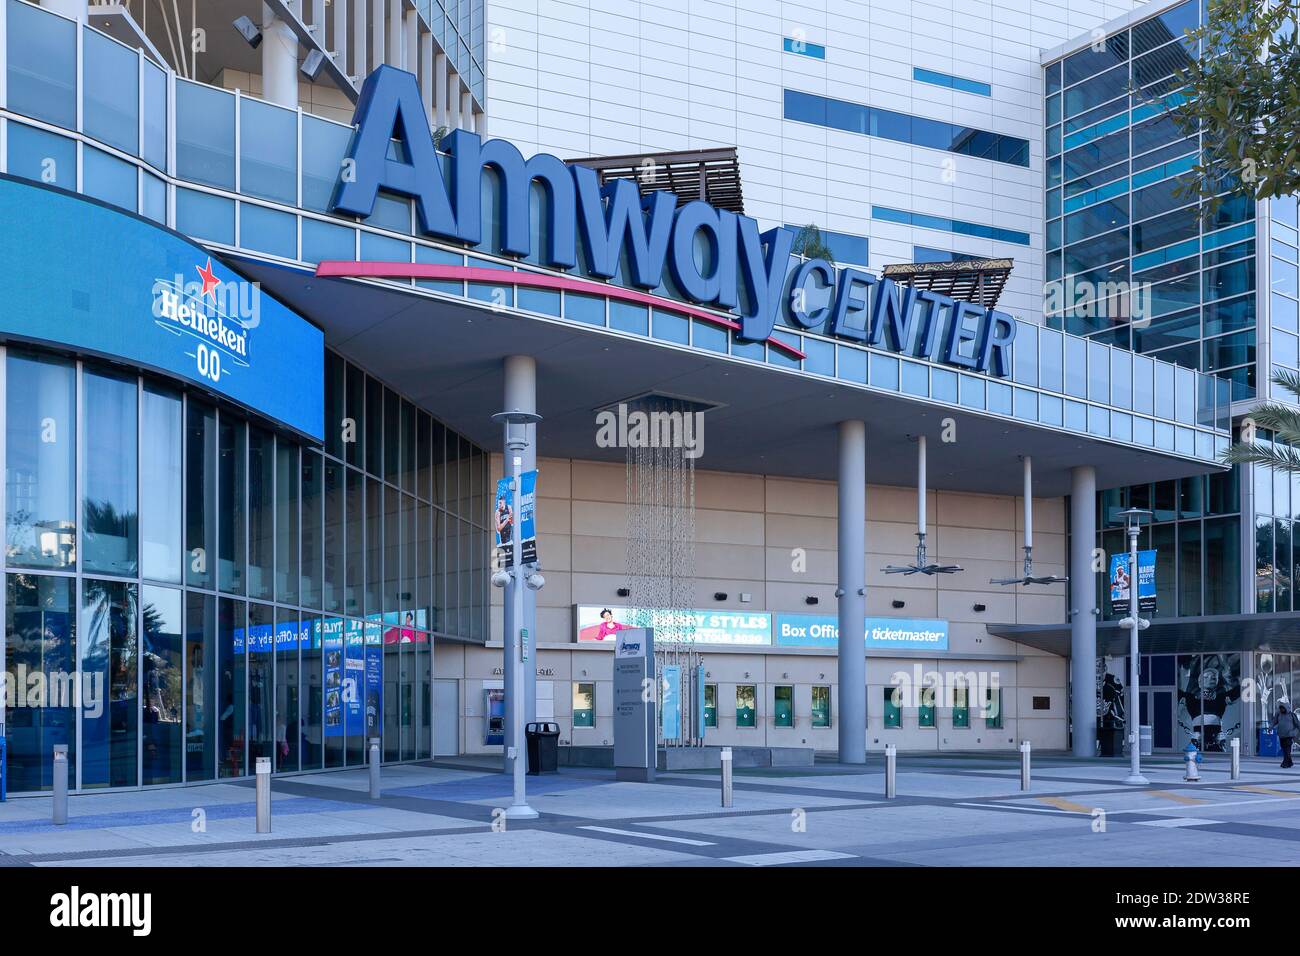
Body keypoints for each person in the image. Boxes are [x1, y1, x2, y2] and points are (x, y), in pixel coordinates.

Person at [1274, 702, 1298, 769]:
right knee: (1284, 749)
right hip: (1281, 735)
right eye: (1281, 708)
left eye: (1283, 708)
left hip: (1289, 735)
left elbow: (1297, 724)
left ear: (1286, 708)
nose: (1282, 710)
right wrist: (1270, 727)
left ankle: (1285, 763)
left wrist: (1295, 732)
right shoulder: (1278, 714)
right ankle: (1290, 762)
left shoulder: (1292, 715)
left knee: (1287, 749)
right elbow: (1274, 722)